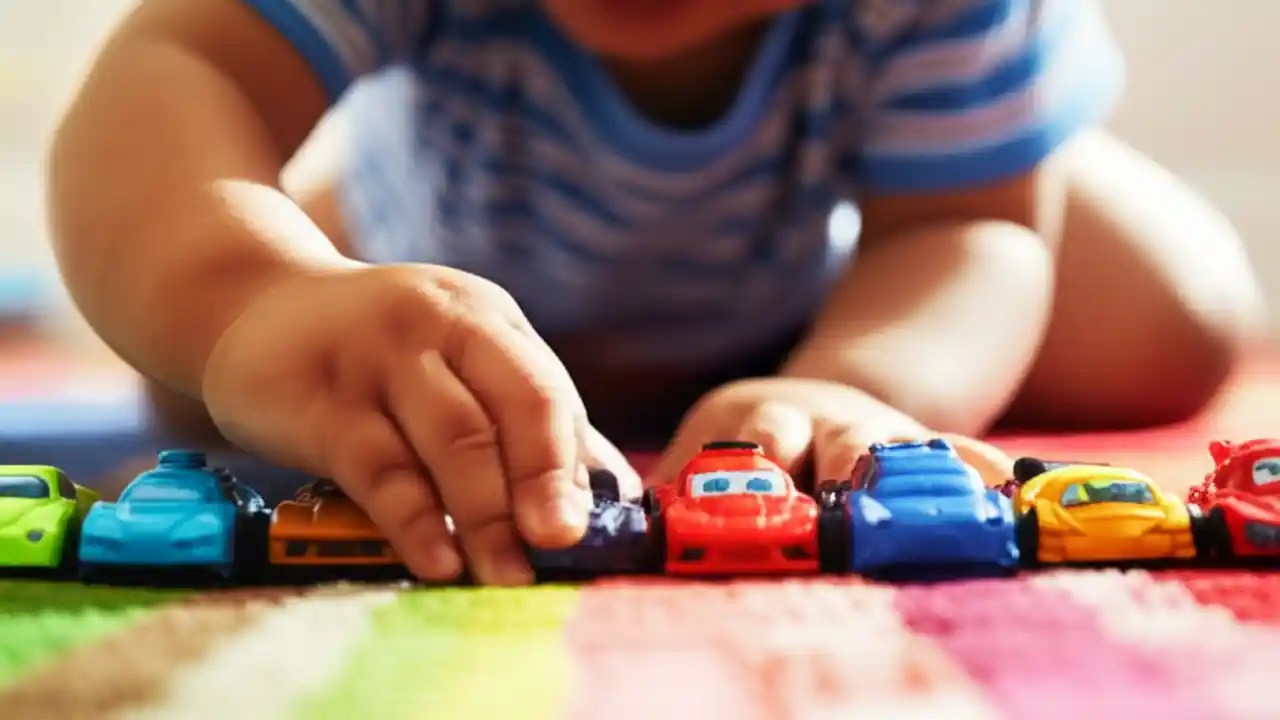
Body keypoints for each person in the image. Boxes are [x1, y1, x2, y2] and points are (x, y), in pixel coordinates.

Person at [47, 0, 1264, 585]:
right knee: (195, 383)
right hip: (438, 254)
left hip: (808, 283)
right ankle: (320, 271)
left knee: (1173, 319)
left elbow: (957, 233)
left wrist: (856, 386)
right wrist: (254, 295)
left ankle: (1015, 140)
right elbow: (179, 64)